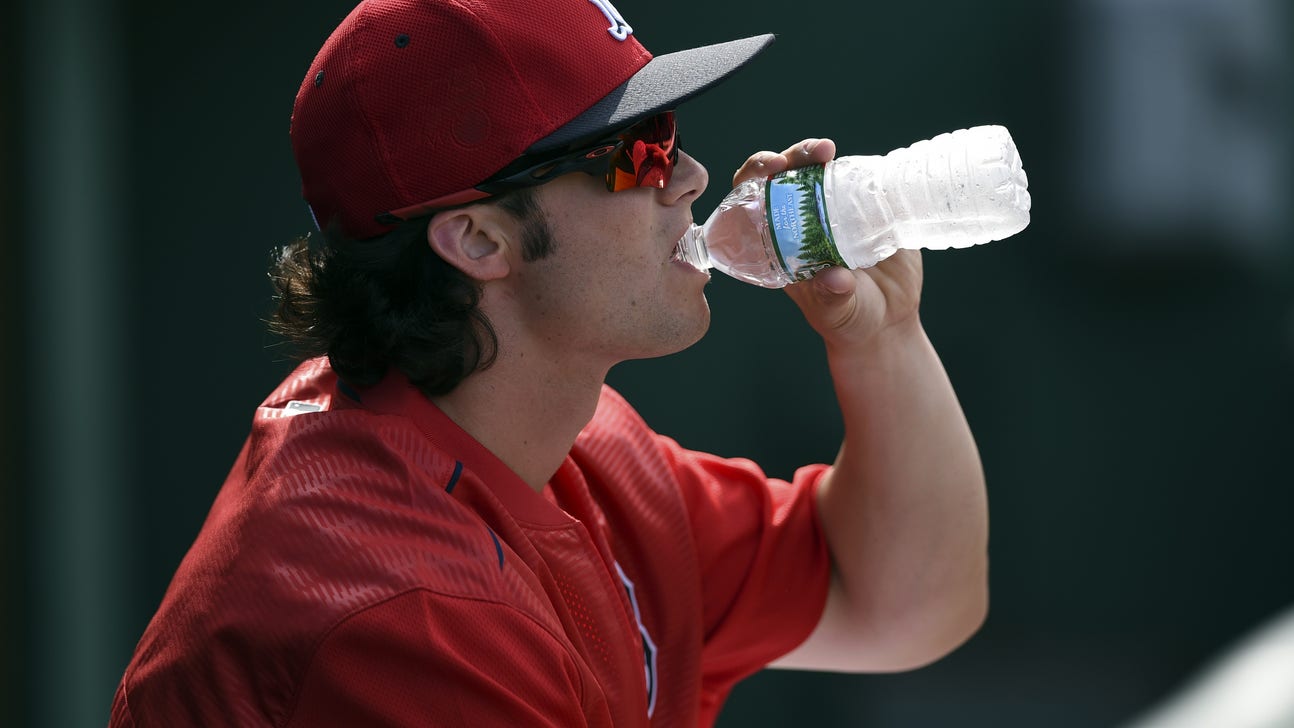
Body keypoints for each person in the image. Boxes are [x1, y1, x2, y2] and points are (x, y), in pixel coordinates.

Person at [109, 0, 989, 725]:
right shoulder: (399, 616)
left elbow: (900, 606)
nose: (689, 175)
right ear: (478, 240)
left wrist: (880, 338)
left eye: (669, 130)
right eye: (636, 152)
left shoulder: (569, 446)